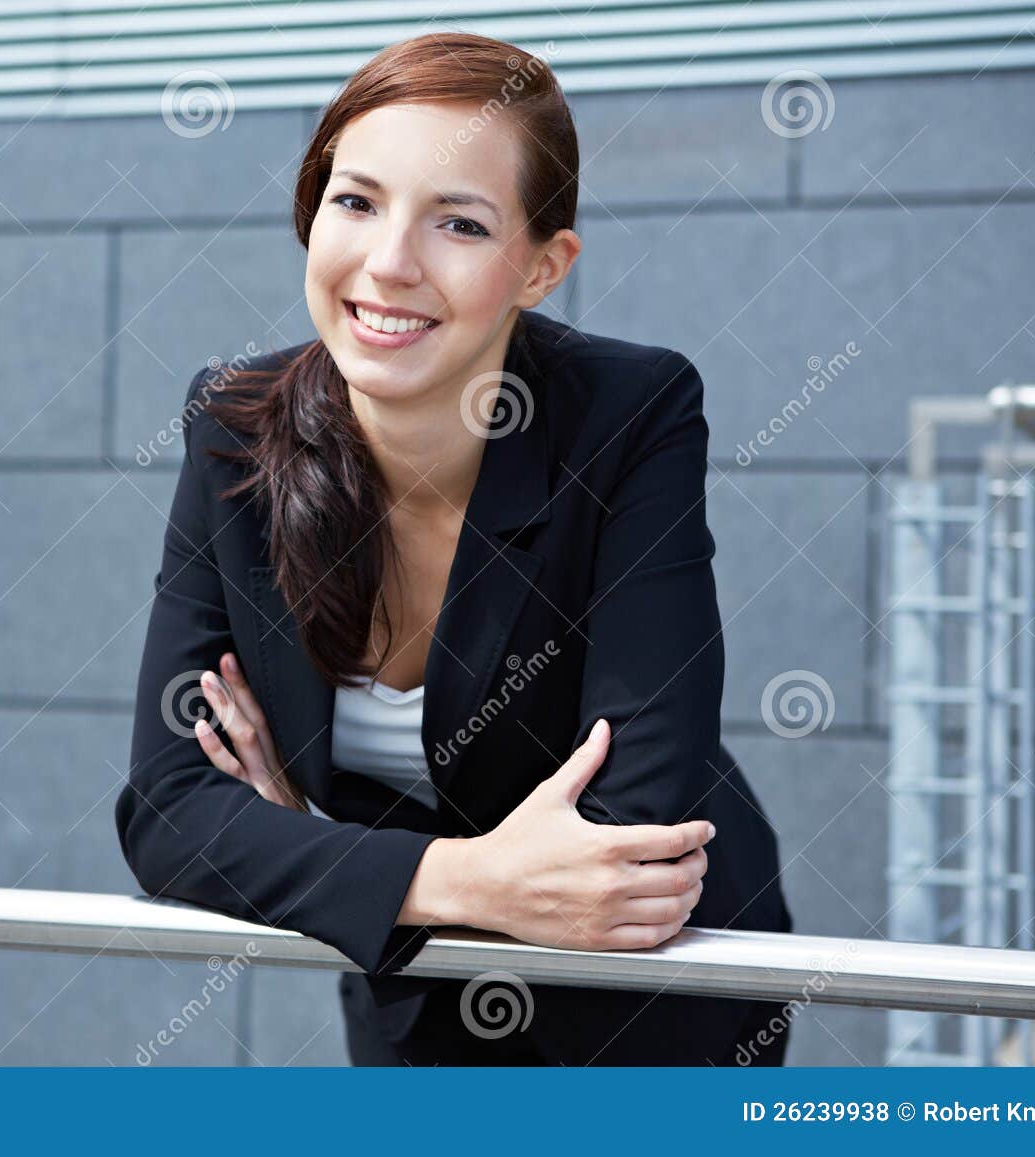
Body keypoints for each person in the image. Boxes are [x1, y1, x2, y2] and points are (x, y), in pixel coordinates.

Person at [115, 30, 794, 1066]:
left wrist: (310, 844)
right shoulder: (232, 425)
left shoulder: (628, 412)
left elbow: (631, 825)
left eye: (459, 223)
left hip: (646, 997)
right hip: (412, 1001)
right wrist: (463, 876)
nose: (389, 263)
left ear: (540, 265)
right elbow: (169, 811)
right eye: (355, 201)